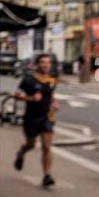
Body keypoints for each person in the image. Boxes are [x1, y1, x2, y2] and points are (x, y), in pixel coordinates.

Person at [12, 53, 59, 187]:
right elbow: (16, 95)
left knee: (46, 147)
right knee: (31, 145)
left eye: (48, 62)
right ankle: (21, 153)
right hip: (31, 118)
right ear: (37, 64)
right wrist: (31, 98)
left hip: (47, 117)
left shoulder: (52, 79)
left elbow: (50, 94)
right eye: (43, 62)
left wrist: (54, 103)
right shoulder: (28, 79)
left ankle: (46, 175)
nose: (46, 64)